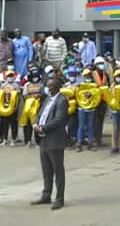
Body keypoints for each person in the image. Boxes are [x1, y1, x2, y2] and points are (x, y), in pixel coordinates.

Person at [32, 76, 69, 210]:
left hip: (55, 139)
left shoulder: (62, 101)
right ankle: (46, 194)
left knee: (57, 170)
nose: (49, 89)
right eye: (48, 86)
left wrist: (44, 127)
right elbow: (41, 113)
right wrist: (36, 123)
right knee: (46, 169)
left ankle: (60, 198)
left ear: (57, 87)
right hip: (43, 139)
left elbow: (59, 120)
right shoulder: (48, 99)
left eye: (52, 87)